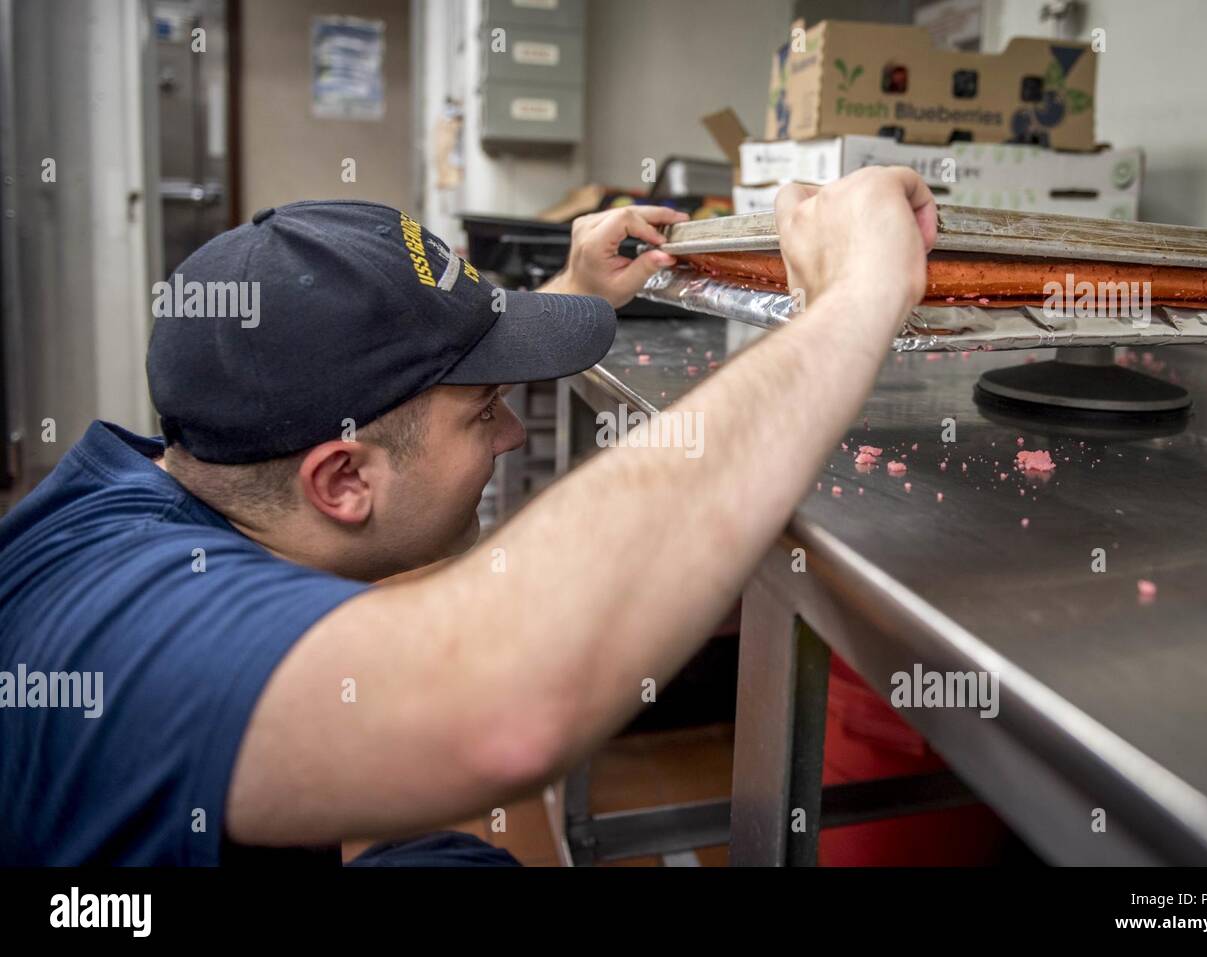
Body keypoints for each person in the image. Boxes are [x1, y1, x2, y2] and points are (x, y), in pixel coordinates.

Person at [0, 168, 937, 865]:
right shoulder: (140, 645)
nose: (506, 441)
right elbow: (503, 707)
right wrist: (854, 300)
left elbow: (401, 434)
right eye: (482, 411)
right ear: (340, 481)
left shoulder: (163, 487)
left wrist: (567, 295)